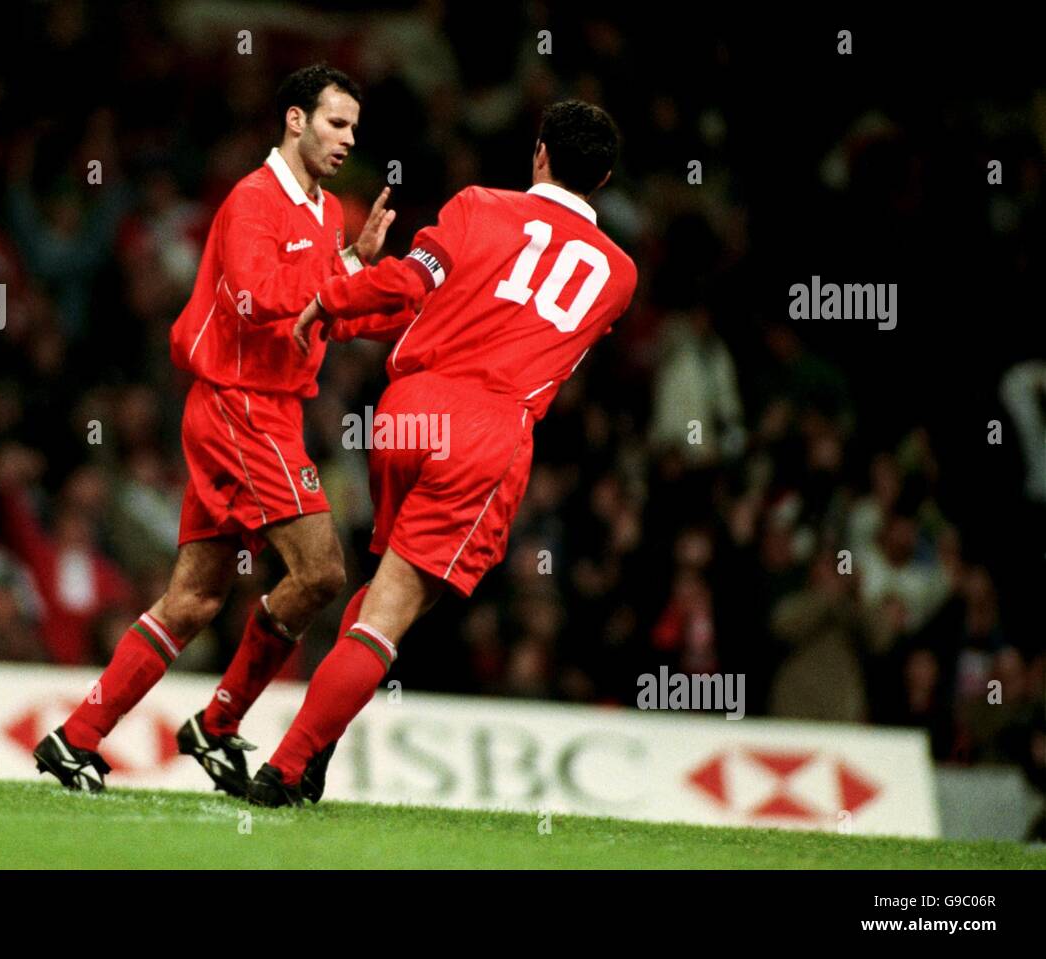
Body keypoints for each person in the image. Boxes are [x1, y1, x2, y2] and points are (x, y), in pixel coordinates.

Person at [246, 100, 637, 805]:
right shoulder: (619, 276)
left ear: (539, 152)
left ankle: (314, 747)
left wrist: (331, 300)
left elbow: (410, 288)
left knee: (383, 592)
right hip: (487, 431)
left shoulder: (478, 205)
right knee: (392, 613)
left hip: (408, 411)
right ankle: (286, 766)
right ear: (604, 177)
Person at [34, 63, 396, 794]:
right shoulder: (252, 201)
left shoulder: (327, 213)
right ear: (295, 120)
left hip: (271, 408)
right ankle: (221, 722)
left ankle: (73, 739)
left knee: (195, 597)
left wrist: (405, 296)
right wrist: (349, 269)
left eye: (354, 127)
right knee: (322, 571)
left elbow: (323, 312)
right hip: (240, 405)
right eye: (335, 122)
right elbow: (261, 296)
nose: (347, 139)